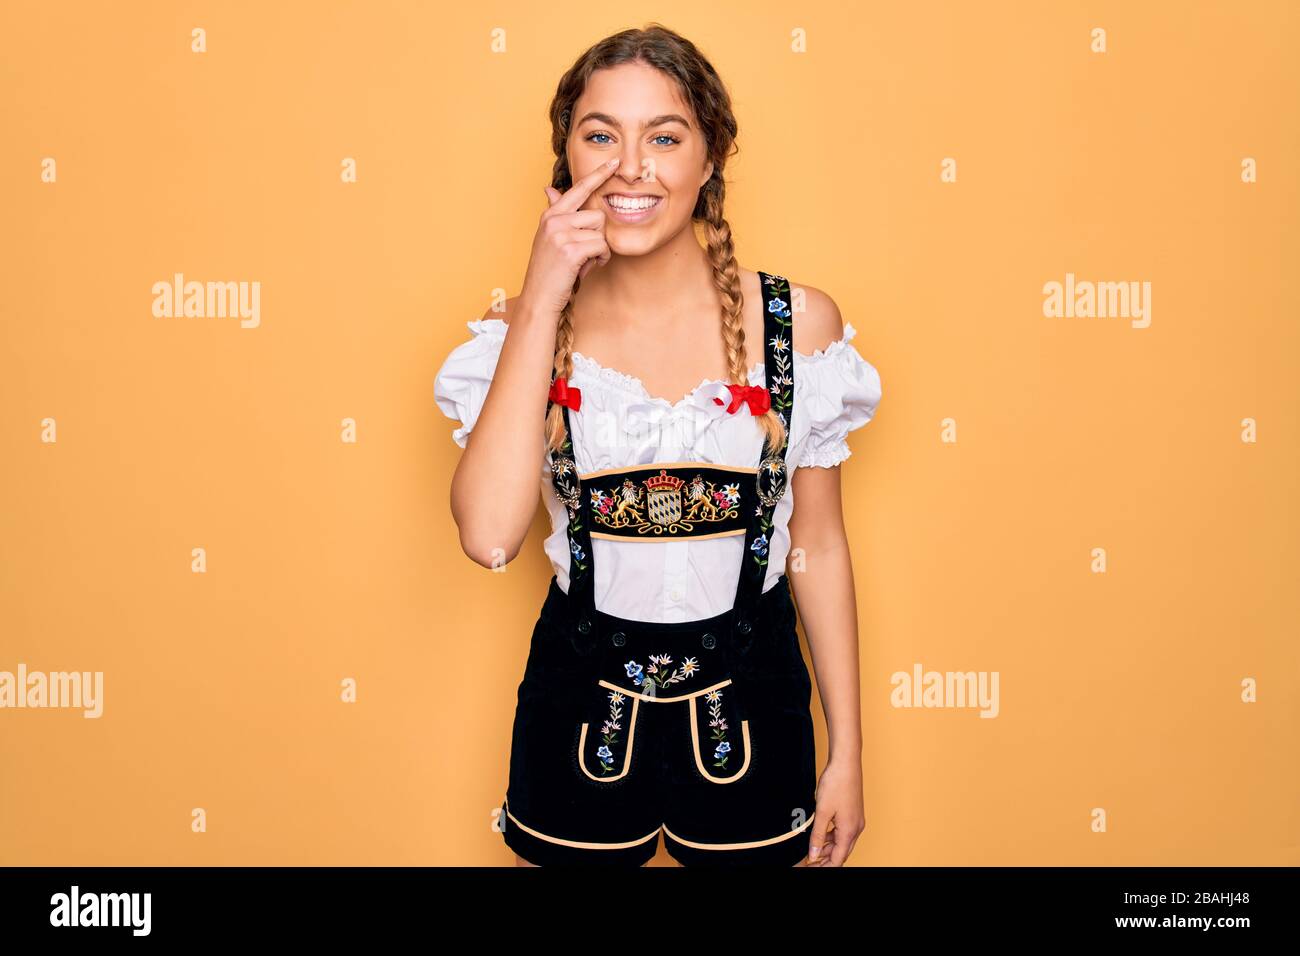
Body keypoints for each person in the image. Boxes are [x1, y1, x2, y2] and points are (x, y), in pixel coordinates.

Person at [434, 24, 882, 867]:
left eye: (664, 137)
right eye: (600, 135)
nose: (630, 167)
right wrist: (539, 298)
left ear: (711, 159)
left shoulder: (798, 327)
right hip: (575, 714)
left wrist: (848, 753)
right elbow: (490, 537)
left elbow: (817, 545)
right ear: (566, 158)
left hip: (759, 710)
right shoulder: (522, 333)